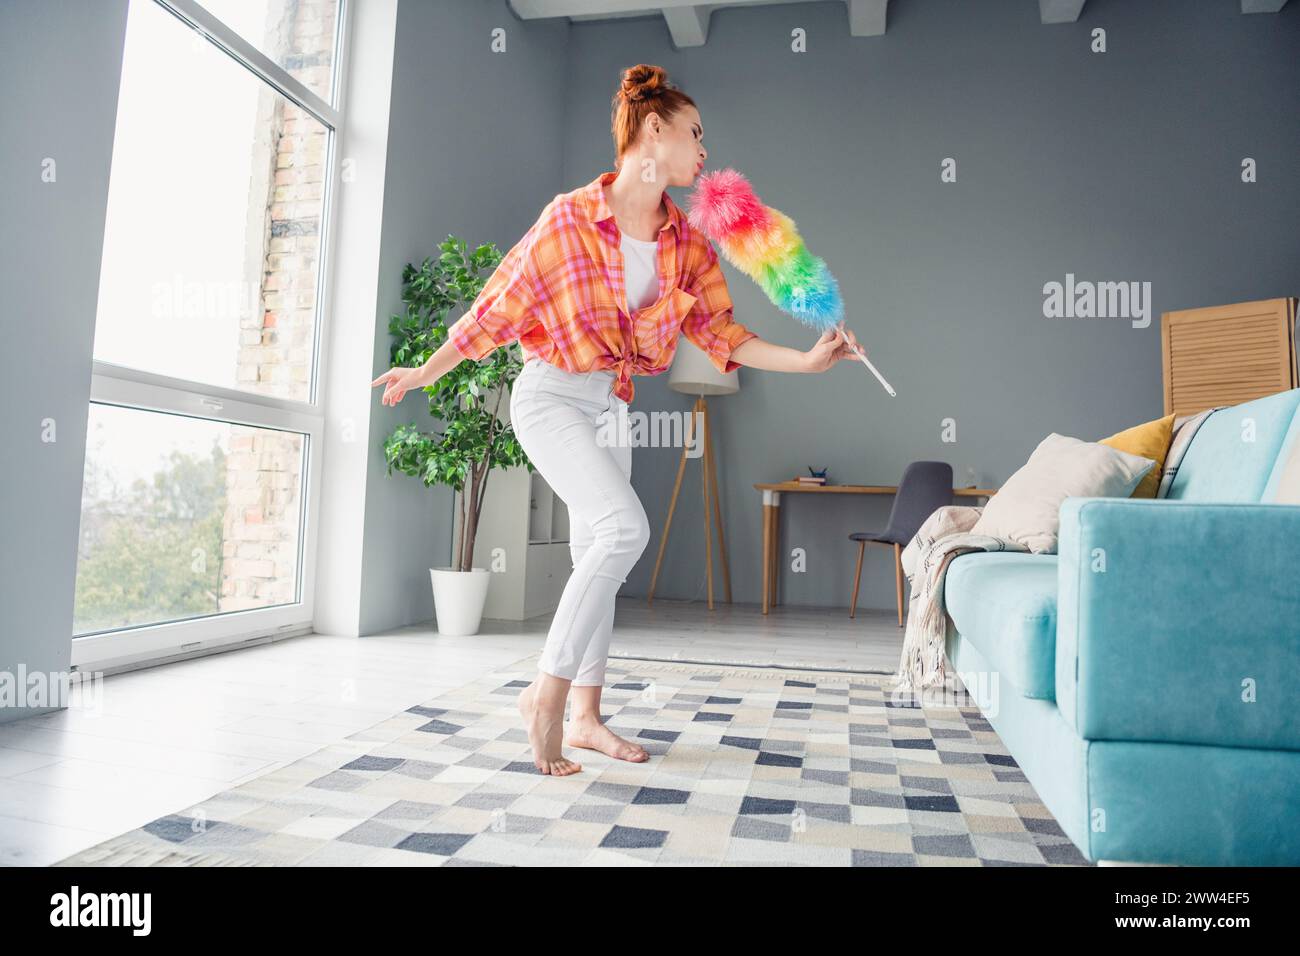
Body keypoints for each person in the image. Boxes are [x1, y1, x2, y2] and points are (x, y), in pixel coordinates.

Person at [373, 64, 861, 776]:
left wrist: (808, 360)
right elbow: (496, 306)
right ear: (652, 131)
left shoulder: (689, 244)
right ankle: (545, 694)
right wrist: (425, 371)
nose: (703, 151)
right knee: (625, 529)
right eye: (695, 133)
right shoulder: (569, 216)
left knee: (594, 557)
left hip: (613, 405)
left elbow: (725, 335)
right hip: (549, 395)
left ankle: (587, 719)